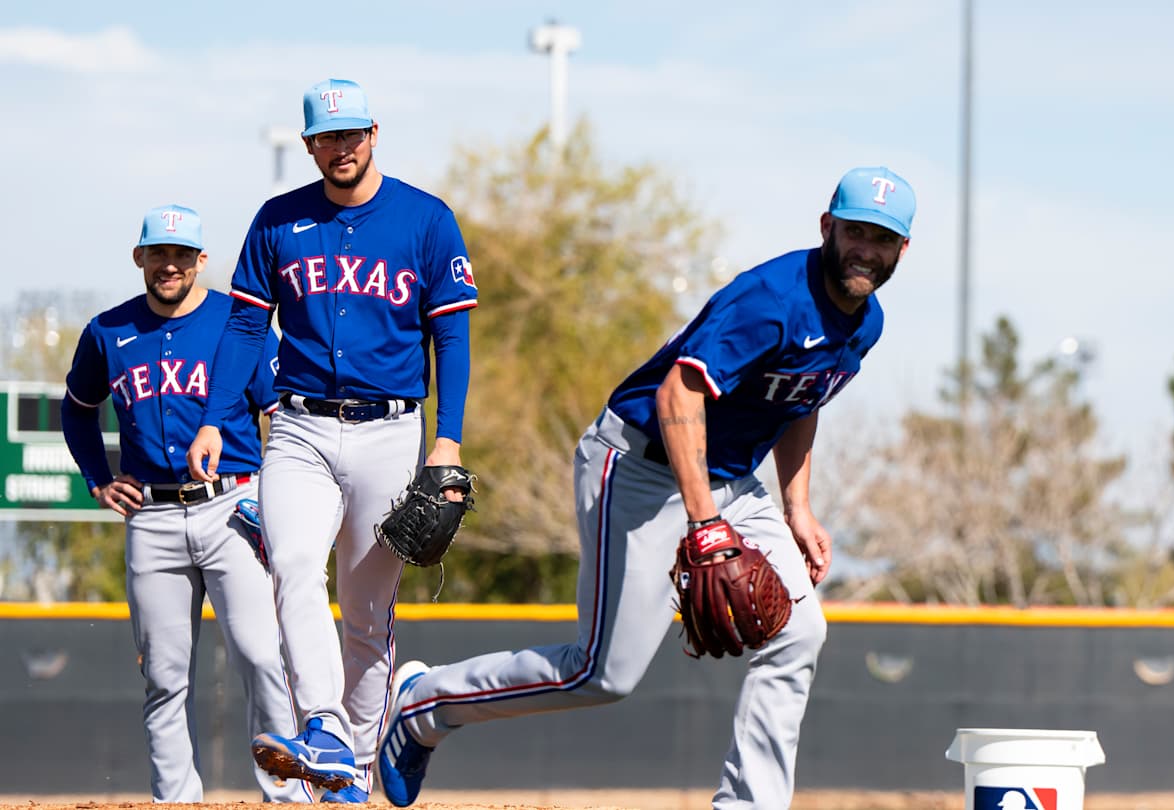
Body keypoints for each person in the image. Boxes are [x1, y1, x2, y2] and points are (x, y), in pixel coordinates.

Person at [376, 166, 917, 809]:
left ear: (902, 250)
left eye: (882, 238)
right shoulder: (772, 299)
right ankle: (425, 706)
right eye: (856, 231)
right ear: (827, 227)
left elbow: (802, 397)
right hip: (639, 465)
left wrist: (798, 508)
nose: (866, 249)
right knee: (601, 674)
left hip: (733, 479)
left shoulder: (866, 323)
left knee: (799, 633)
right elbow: (676, 393)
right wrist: (704, 521)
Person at [184, 77, 476, 803]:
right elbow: (247, 327)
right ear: (309, 143)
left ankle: (361, 768)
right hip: (299, 428)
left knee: (367, 615)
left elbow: (452, 335)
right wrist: (217, 417)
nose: (340, 147)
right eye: (326, 137)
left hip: (391, 429)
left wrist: (449, 441)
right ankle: (324, 729)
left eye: (352, 134)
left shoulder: (426, 220)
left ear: (373, 135)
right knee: (288, 563)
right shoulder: (279, 221)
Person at [61, 204, 303, 803]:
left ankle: (287, 796)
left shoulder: (238, 323)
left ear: (200, 260)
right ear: (140, 257)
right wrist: (98, 477)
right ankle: (175, 799)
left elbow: (282, 418)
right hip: (152, 516)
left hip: (232, 508)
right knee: (164, 676)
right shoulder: (107, 331)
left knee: (260, 657)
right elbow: (76, 408)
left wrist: (277, 502)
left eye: (180, 254)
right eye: (157, 253)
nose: (168, 265)